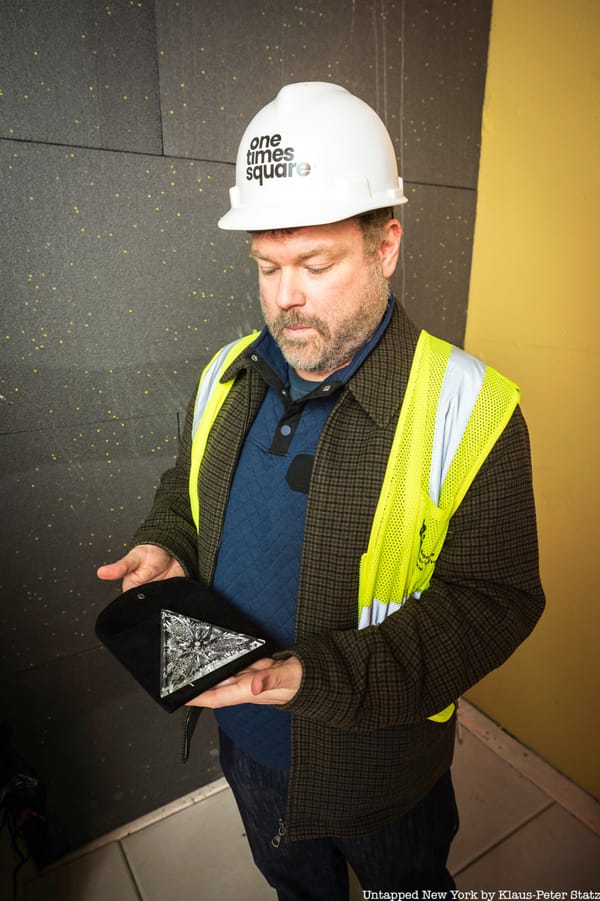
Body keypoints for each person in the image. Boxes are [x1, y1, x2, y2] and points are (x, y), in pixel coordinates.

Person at [97, 82, 545, 898]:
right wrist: (165, 539)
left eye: (316, 263)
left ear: (386, 245)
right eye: (267, 266)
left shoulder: (473, 407)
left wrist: (314, 674)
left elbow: (497, 601)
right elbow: (184, 488)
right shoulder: (225, 372)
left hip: (383, 771)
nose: (285, 297)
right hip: (247, 748)